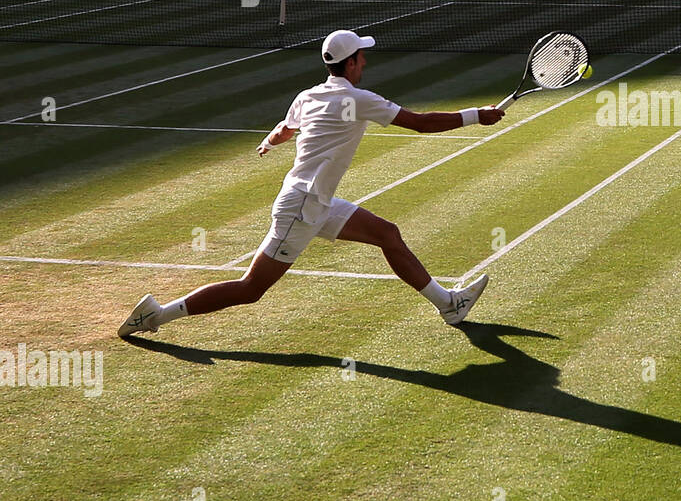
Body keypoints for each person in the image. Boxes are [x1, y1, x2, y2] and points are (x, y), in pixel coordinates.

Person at [120, 30, 503, 339]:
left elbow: (286, 129)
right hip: (303, 207)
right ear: (350, 63)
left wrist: (269, 143)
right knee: (251, 288)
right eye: (362, 57)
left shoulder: (308, 96)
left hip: (314, 201)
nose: (365, 62)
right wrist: (476, 116)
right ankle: (156, 316)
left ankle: (448, 305)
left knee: (387, 233)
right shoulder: (358, 99)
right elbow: (421, 123)